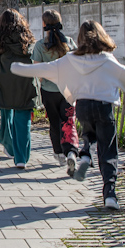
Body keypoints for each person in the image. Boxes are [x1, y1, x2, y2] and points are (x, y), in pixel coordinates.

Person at [10, 21, 125, 210]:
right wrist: (123, 87)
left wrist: (17, 67)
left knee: (90, 130)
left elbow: (44, 69)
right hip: (103, 106)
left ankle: (86, 155)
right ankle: (109, 193)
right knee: (108, 149)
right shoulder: (107, 59)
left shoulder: (70, 59)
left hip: (83, 106)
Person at [0, 9, 38, 169]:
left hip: (5, 83)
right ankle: (21, 157)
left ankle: (7, 142)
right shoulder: (29, 41)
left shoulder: (0, 42)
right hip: (26, 82)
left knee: (6, 113)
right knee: (23, 120)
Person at [32, 10, 78, 173]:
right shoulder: (70, 43)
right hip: (68, 90)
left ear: (44, 24)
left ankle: (59, 153)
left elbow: (38, 69)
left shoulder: (40, 45)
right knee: (68, 121)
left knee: (54, 123)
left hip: (49, 91)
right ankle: (71, 151)